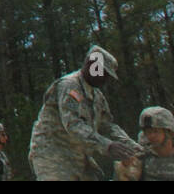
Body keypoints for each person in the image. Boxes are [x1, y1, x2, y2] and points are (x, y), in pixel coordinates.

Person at [28, 44, 139, 180]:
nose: (105, 78)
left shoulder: (97, 97)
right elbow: (73, 125)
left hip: (77, 155)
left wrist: (132, 146)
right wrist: (107, 145)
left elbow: (107, 126)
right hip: (53, 155)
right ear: (90, 65)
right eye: (103, 72)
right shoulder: (69, 86)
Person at [115, 107, 174, 182]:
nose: (151, 136)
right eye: (148, 132)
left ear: (169, 132)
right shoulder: (139, 163)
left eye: (156, 131)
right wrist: (124, 168)